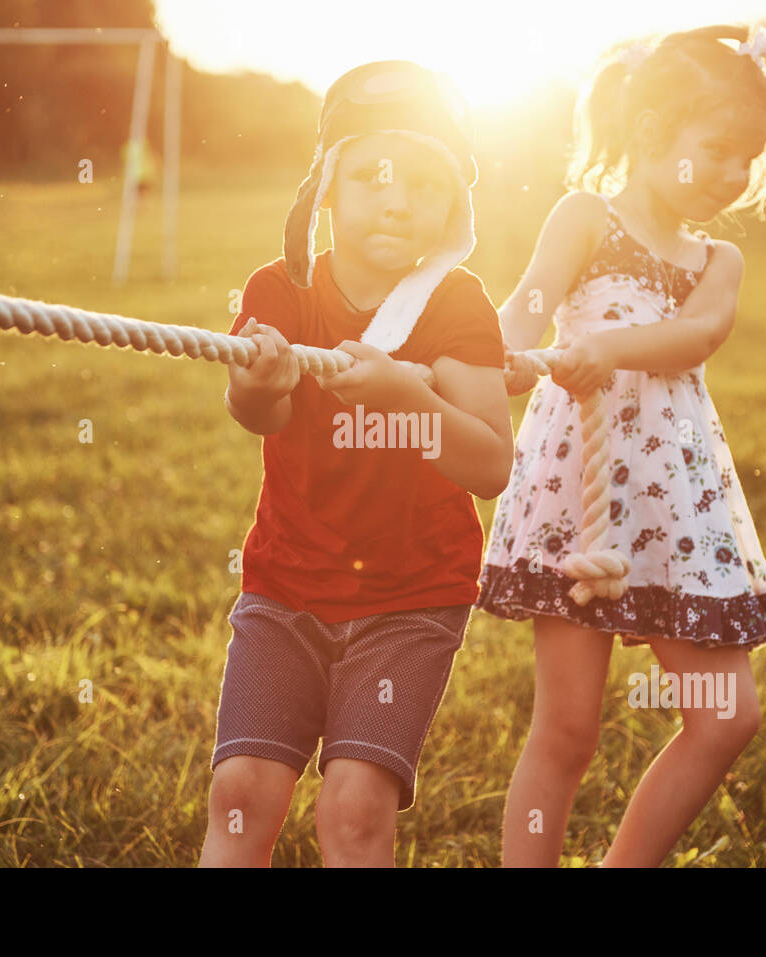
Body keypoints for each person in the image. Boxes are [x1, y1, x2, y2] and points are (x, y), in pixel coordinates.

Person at [481, 24, 766, 867]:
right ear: (655, 129)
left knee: (727, 714)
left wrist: (608, 351)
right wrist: (493, 362)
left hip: (673, 504)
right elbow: (524, 310)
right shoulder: (587, 215)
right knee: (568, 727)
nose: (735, 174)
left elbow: (695, 337)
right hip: (574, 494)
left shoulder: (717, 260)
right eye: (720, 150)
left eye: (750, 157)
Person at [199, 61, 513, 867]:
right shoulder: (284, 288)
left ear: (454, 208)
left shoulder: (457, 304)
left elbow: (489, 461)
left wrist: (405, 398)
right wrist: (257, 379)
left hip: (410, 598)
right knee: (240, 790)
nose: (399, 199)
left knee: (354, 806)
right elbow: (255, 412)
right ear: (329, 186)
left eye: (425, 183)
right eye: (375, 175)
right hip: (287, 587)